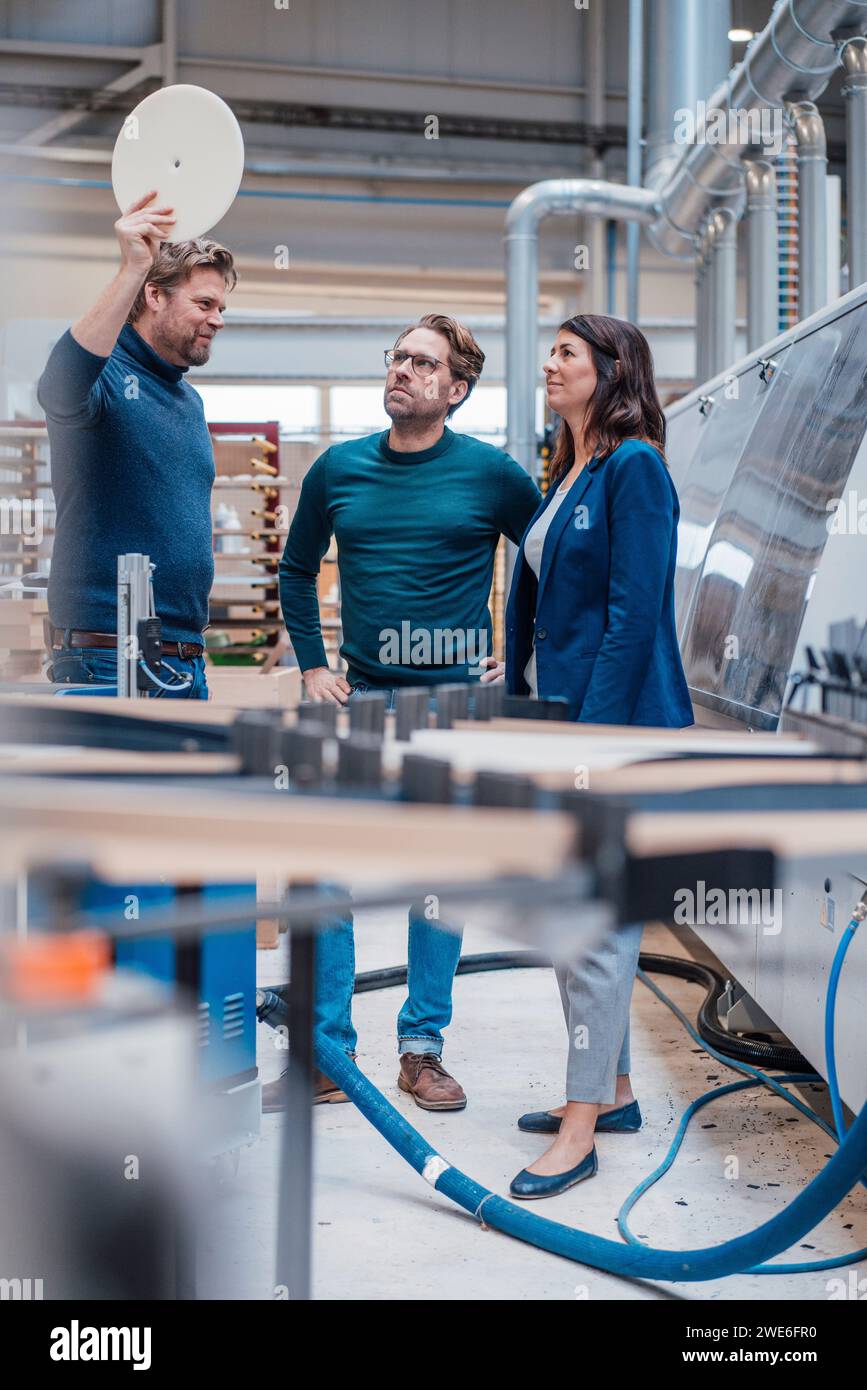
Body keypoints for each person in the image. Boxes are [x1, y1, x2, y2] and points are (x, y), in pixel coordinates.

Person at [265, 313, 541, 1113]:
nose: (403, 371)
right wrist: (314, 665)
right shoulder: (338, 469)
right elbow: (294, 566)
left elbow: (548, 562)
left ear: (455, 389)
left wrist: (516, 656)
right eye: (397, 358)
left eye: (423, 364)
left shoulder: (492, 475)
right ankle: (326, 1053)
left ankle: (421, 1050)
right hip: (359, 696)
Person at [494, 312, 694, 1198]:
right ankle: (609, 1092)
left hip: (612, 730)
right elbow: (553, 609)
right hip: (563, 717)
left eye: (566, 354)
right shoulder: (571, 467)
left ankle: (579, 1130)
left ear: (612, 370)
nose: (550, 364)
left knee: (594, 928)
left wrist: (591, 740)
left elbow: (634, 614)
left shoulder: (635, 469)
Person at [38, 191, 237, 699]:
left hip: (183, 658)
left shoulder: (187, 400)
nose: (218, 319)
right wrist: (131, 268)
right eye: (205, 304)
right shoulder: (106, 376)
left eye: (221, 306)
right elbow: (59, 385)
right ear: (154, 296)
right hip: (111, 656)